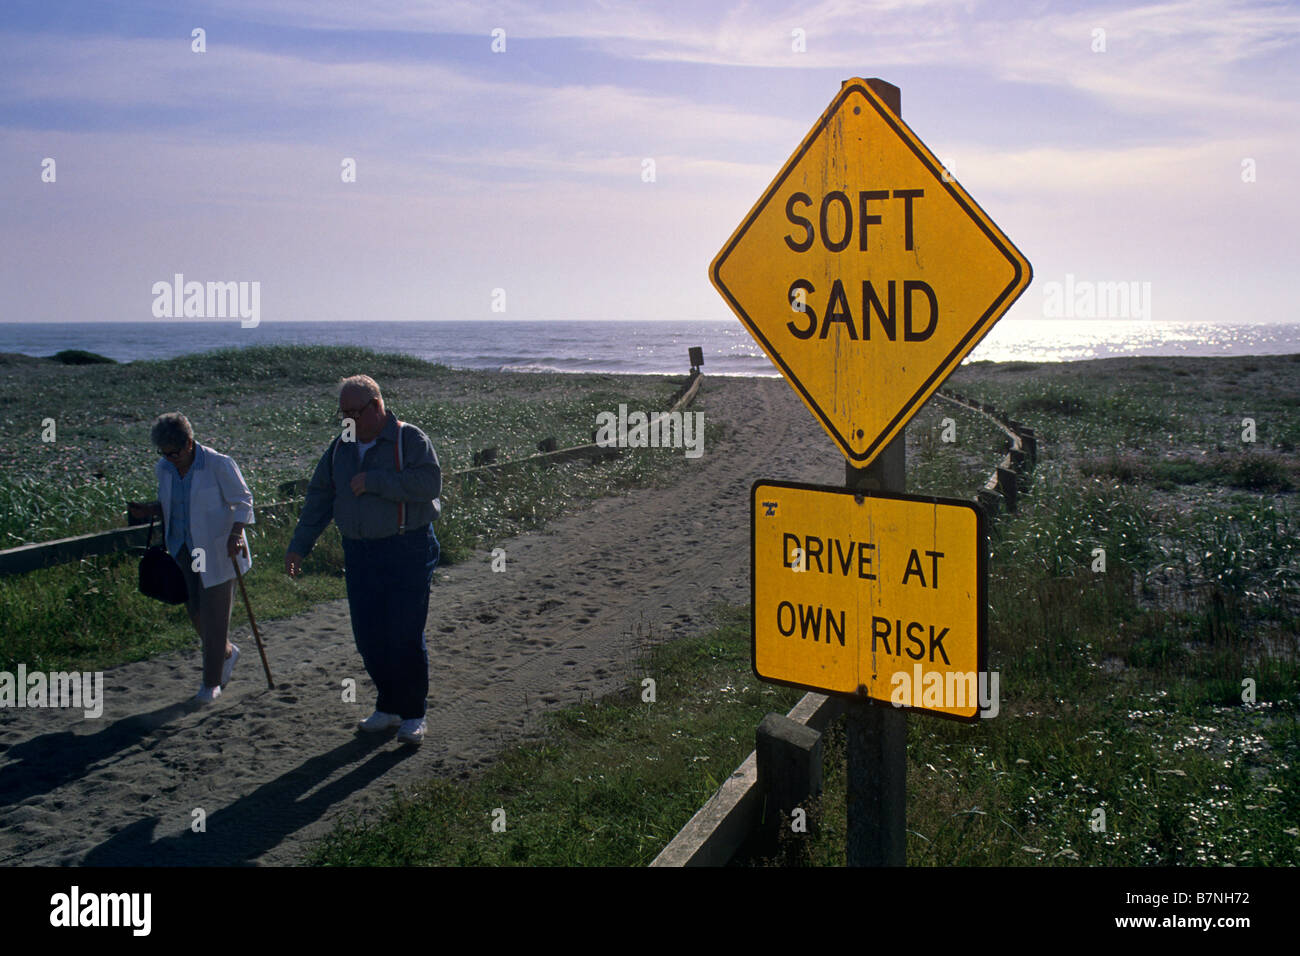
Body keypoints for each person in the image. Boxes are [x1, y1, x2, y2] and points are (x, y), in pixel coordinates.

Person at [285, 375, 441, 745]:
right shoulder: (339, 448)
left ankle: (414, 714)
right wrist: (298, 546)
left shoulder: (410, 439)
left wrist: (376, 481)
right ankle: (387, 707)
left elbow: (429, 485)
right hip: (359, 552)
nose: (348, 420)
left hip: (408, 548)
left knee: (404, 633)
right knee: (369, 637)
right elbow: (319, 499)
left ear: (377, 406)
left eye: (355, 412)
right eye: (343, 413)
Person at [128, 413, 254, 703]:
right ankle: (226, 653)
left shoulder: (218, 464)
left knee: (214, 616)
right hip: (184, 549)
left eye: (174, 452)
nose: (170, 458)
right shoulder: (165, 468)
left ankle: (210, 683)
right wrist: (149, 510)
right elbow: (174, 505)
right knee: (195, 611)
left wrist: (236, 534)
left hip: (219, 550)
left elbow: (243, 501)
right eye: (164, 453)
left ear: (189, 442)